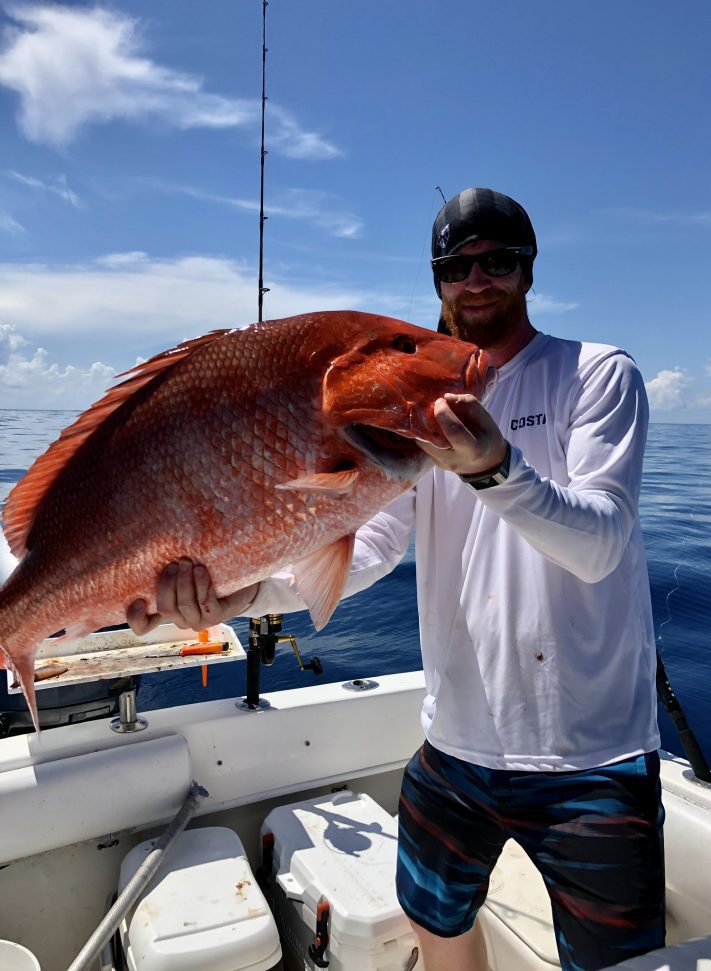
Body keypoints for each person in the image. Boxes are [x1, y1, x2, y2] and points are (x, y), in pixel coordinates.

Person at [126, 187, 665, 971]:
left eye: (498, 260)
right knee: (433, 924)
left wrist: (494, 469)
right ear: (438, 278)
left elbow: (601, 542)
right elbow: (369, 543)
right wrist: (249, 593)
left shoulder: (597, 375)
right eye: (456, 265)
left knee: (615, 963)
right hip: (456, 746)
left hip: (593, 754)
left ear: (529, 269)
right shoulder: (416, 403)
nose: (476, 279)